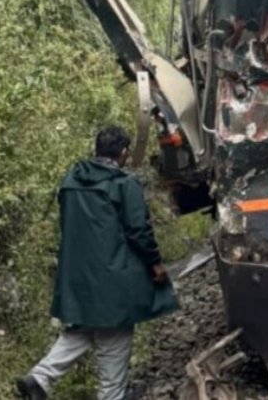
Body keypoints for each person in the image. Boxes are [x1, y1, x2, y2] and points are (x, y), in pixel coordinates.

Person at [16, 126, 179, 400]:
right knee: (113, 336)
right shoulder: (122, 184)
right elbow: (139, 231)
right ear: (123, 153)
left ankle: (40, 379)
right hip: (111, 280)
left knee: (82, 330)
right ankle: (113, 395)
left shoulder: (71, 180)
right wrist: (155, 264)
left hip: (77, 278)